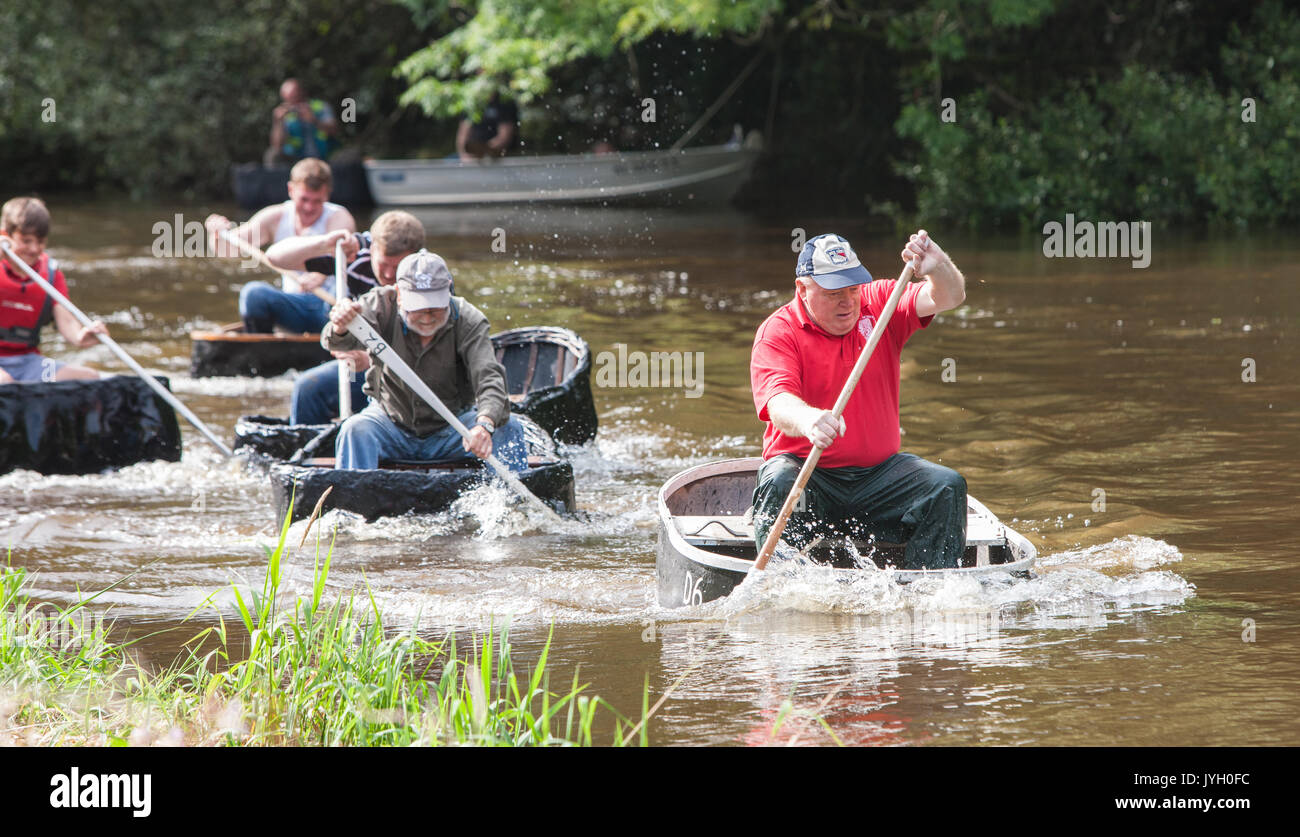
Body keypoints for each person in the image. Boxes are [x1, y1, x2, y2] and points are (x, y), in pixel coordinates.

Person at [749, 231, 969, 570]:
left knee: (947, 486)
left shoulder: (880, 302)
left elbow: (950, 297)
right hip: (811, 480)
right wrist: (810, 420)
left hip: (877, 481)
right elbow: (778, 403)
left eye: (853, 289)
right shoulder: (778, 332)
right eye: (834, 293)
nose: (848, 302)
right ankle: (781, 583)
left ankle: (929, 589)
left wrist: (937, 267)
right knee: (778, 481)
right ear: (802, 290)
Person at [321, 249, 526, 471]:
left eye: (435, 307)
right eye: (418, 308)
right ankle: (353, 500)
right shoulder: (379, 304)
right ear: (399, 294)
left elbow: (489, 378)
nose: (427, 318)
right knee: (354, 429)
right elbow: (336, 342)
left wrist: (484, 425)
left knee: (509, 428)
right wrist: (341, 325)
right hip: (389, 424)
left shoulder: (469, 319)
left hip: (453, 428)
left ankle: (511, 502)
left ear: (448, 289)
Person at [265, 210, 425, 425]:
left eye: (396, 267)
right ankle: (313, 449)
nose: (388, 275)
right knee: (308, 388)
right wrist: (325, 243)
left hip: (410, 378)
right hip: (359, 366)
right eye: (383, 264)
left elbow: (430, 351)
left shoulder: (429, 275)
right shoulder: (354, 253)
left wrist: (370, 359)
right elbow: (275, 256)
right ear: (373, 248)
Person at [204, 158, 356, 334]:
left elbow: (338, 255)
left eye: (317, 201)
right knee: (253, 294)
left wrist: (318, 276)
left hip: (330, 307)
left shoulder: (339, 217)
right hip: (295, 304)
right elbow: (227, 250)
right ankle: (264, 349)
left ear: (327, 194)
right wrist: (217, 234)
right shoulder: (275, 217)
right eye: (304, 199)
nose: (309, 207)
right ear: (291, 189)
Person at [0, 197, 108, 383]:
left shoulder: (51, 275)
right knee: (5, 384)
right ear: (6, 235)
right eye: (26, 241)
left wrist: (80, 337)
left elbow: (66, 321)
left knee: (89, 379)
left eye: (40, 241)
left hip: (28, 363)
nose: (34, 249)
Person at [265, 78, 340, 166]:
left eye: (297, 98)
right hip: (295, 159)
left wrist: (314, 121)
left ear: (303, 93)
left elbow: (334, 131)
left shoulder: (320, 107)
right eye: (290, 100)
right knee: (272, 155)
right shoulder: (284, 115)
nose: (295, 104)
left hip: (325, 155)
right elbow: (277, 145)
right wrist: (278, 123)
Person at [456, 91, 519, 160]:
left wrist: (484, 151)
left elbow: (505, 136)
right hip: (472, 153)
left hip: (497, 155)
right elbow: (463, 134)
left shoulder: (504, 104)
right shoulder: (472, 105)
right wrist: (464, 155)